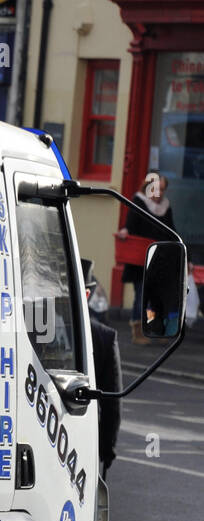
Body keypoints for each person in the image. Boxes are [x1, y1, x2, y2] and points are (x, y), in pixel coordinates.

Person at [116, 171, 175, 344]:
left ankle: (154, 328)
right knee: (142, 295)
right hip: (140, 260)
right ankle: (138, 330)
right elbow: (130, 226)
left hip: (159, 260)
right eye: (157, 189)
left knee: (157, 296)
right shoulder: (139, 202)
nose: (159, 194)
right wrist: (124, 232)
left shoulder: (165, 207)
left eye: (163, 190)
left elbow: (171, 232)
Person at [84, 260, 122, 477]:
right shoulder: (105, 337)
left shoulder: (35, 326)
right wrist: (107, 449)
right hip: (84, 439)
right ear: (88, 295)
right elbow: (112, 404)